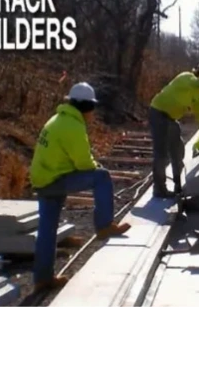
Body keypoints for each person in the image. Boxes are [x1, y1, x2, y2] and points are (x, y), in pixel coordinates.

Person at [29, 82, 131, 291]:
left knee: (47, 229)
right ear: (85, 107)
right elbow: (84, 163)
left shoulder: (57, 119)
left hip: (43, 179)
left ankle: (42, 278)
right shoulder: (73, 126)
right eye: (92, 107)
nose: (93, 112)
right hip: (54, 179)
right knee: (102, 176)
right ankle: (104, 225)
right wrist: (96, 166)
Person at [149, 61, 199, 198]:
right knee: (161, 153)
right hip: (158, 112)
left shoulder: (197, 96)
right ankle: (159, 188)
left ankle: (178, 184)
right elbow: (195, 83)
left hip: (170, 118)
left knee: (178, 150)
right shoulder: (186, 78)